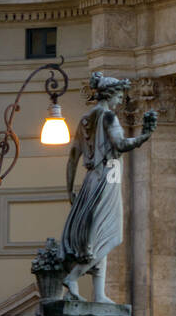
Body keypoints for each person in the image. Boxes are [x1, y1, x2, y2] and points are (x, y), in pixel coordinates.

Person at [60, 73, 156, 303]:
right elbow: (121, 144)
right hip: (108, 176)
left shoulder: (85, 119)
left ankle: (100, 293)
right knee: (112, 234)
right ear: (111, 94)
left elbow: (73, 157)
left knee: (98, 236)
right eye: (120, 95)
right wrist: (145, 134)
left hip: (90, 180)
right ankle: (73, 277)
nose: (121, 100)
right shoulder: (109, 117)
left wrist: (69, 190)